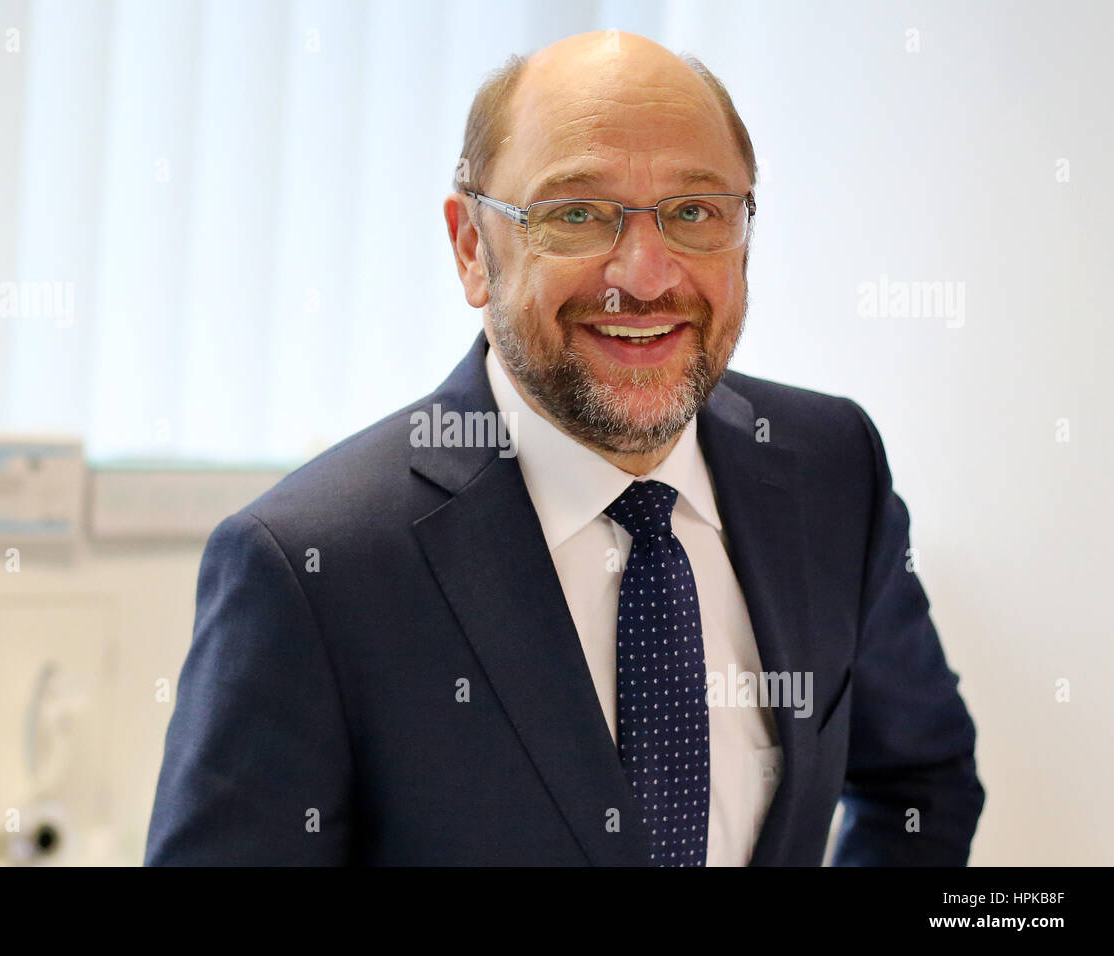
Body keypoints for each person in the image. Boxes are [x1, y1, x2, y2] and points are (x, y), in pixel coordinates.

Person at [144, 30, 985, 866]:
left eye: (694, 213)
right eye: (576, 215)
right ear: (473, 248)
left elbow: (922, 780)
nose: (647, 276)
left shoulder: (831, 469)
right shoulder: (312, 564)